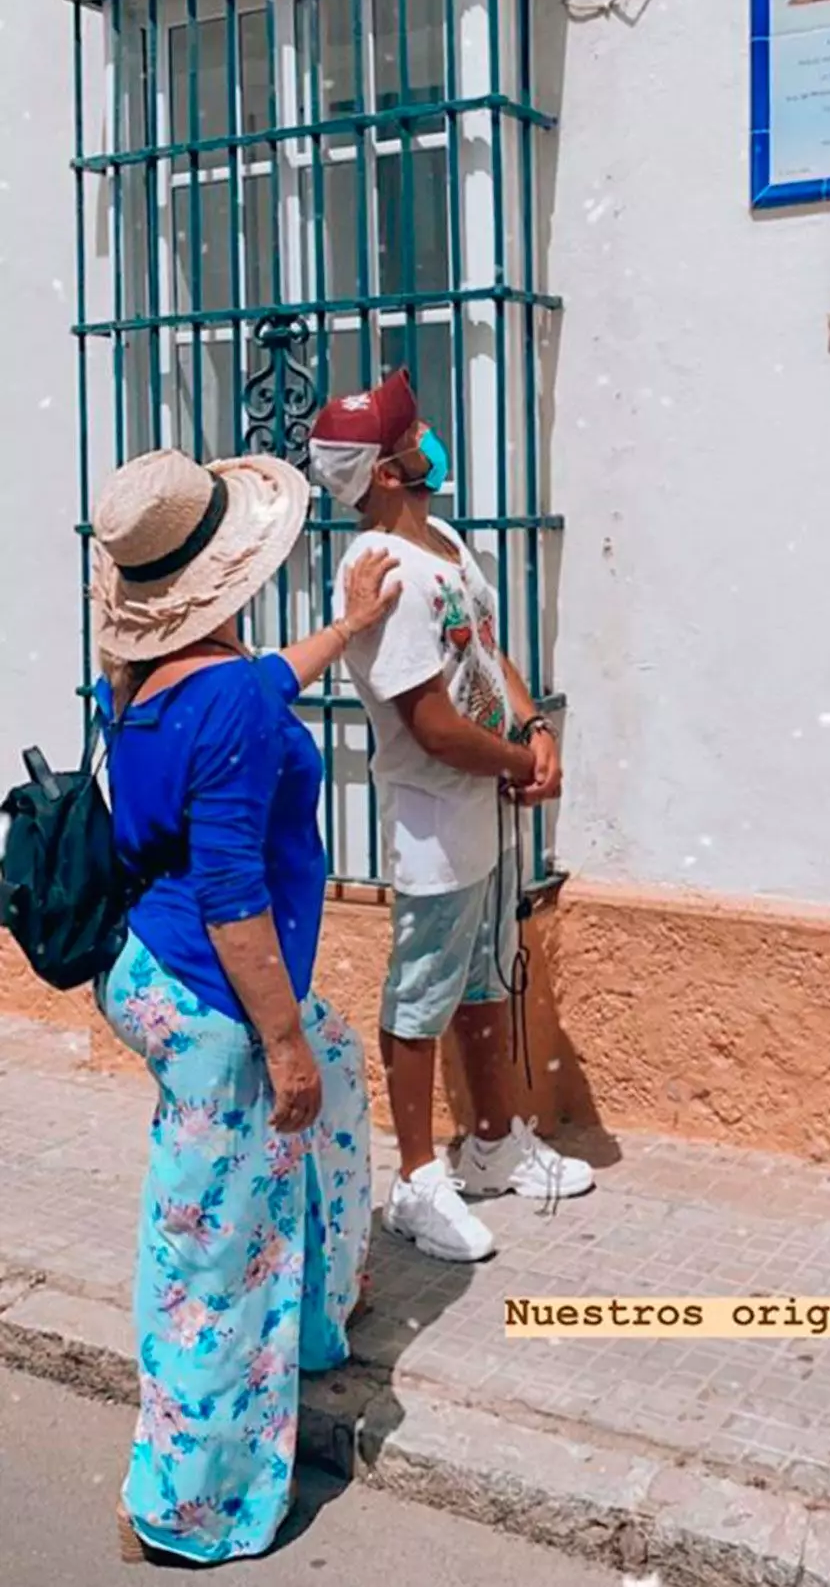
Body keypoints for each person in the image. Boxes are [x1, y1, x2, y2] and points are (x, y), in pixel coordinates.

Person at [90, 446, 400, 1566]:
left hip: (148, 973)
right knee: (209, 1260)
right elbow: (231, 897)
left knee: (337, 1069)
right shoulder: (226, 704)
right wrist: (278, 1045)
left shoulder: (149, 680)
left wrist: (350, 626)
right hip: (218, 998)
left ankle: (319, 1315)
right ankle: (181, 1508)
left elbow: (263, 679)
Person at [308, 369, 593, 1265]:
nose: (429, 434)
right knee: (420, 994)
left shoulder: (446, 544)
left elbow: (487, 649)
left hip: (484, 807)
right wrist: (516, 762)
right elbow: (429, 723)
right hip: (436, 819)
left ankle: (494, 1140)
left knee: (480, 979)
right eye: (413, 430)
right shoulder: (380, 575)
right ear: (388, 471)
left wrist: (532, 728)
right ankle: (418, 1179)